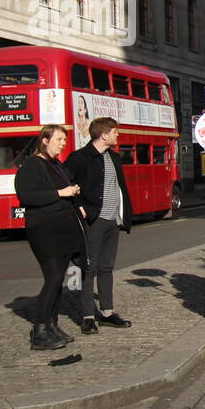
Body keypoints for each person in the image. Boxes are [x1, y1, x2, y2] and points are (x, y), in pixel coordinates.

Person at [15, 125, 85, 351]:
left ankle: (52, 325)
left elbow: (64, 189)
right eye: (59, 139)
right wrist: (60, 193)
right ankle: (40, 329)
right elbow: (26, 196)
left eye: (65, 140)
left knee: (59, 281)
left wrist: (74, 193)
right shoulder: (32, 165)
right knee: (53, 278)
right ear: (44, 140)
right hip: (45, 230)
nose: (63, 143)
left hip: (64, 228)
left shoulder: (56, 164)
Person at [64, 116, 133, 335]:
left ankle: (106, 313)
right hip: (93, 221)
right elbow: (63, 182)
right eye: (115, 132)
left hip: (113, 221)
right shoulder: (80, 157)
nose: (117, 135)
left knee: (106, 267)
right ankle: (87, 317)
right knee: (88, 268)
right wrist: (79, 205)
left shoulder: (113, 157)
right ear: (104, 134)